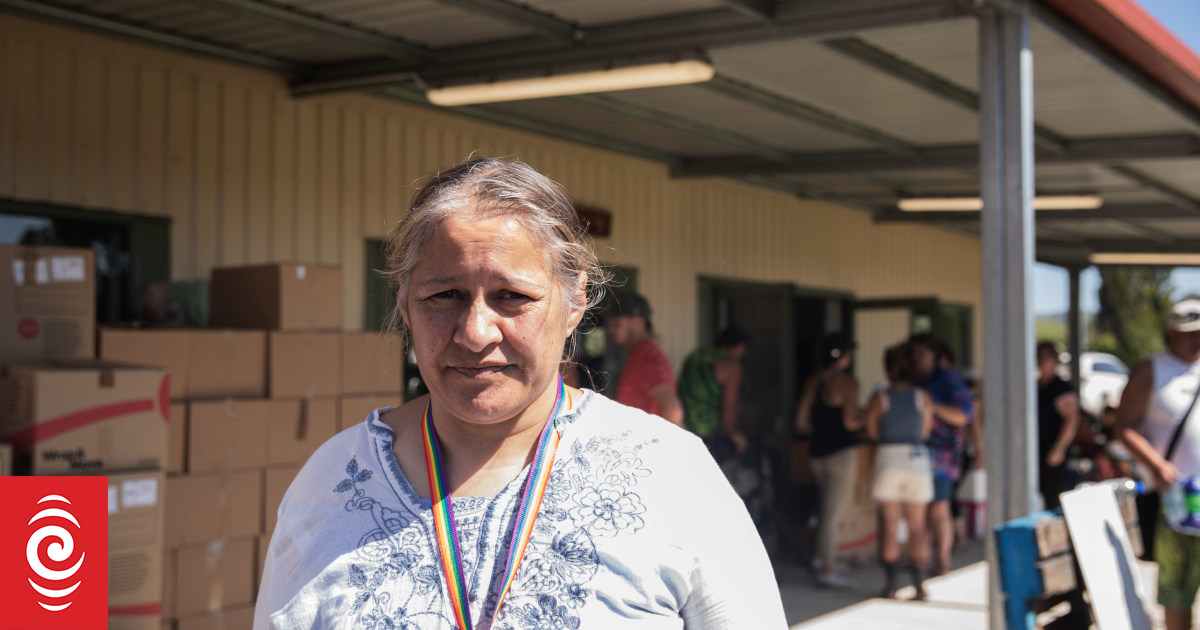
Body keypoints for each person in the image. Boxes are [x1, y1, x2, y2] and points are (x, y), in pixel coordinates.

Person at [254, 157, 787, 629]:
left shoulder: (672, 474)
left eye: (512, 296)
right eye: (444, 295)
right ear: (405, 301)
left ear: (576, 297)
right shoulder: (333, 483)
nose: (475, 331)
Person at [1117, 298, 1200, 630]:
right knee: (1177, 589)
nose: (1196, 338)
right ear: (1169, 333)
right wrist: (1157, 465)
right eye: (1188, 332)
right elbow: (1124, 426)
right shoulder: (1151, 369)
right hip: (1178, 500)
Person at [865, 343, 933, 600]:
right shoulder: (922, 396)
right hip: (916, 459)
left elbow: (872, 432)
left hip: (888, 459)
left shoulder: (880, 398)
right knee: (918, 526)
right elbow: (925, 431)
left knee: (890, 526)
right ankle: (919, 586)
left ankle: (891, 585)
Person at [795, 333, 861, 589]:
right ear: (844, 355)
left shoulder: (815, 380)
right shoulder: (849, 383)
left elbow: (801, 421)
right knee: (832, 514)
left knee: (824, 510)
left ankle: (819, 557)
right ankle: (827, 568)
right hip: (841, 453)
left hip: (817, 453)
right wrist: (867, 419)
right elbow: (849, 421)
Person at [909, 333, 973, 575]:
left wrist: (931, 406)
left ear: (935, 355)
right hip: (914, 453)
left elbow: (965, 414)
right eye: (913, 353)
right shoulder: (913, 380)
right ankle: (921, 558)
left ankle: (943, 560)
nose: (916, 358)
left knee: (939, 507)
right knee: (920, 508)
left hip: (942, 456)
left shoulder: (948, 381)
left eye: (921, 353)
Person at [606, 291, 684, 426]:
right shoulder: (644, 353)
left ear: (638, 322)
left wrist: (657, 446)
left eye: (616, 324)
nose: (610, 330)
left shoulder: (643, 358)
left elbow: (673, 410)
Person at [677, 326, 750, 458]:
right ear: (740, 346)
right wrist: (735, 435)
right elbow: (729, 408)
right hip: (703, 432)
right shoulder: (731, 365)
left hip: (680, 427)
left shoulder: (695, 355)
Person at [1035, 341, 1080, 510]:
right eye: (1039, 357)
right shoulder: (1035, 386)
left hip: (1053, 453)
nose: (1042, 361)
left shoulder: (1061, 388)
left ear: (1054, 360)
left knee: (1053, 498)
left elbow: (1072, 420)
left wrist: (1059, 447)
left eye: (1047, 358)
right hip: (1037, 451)